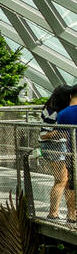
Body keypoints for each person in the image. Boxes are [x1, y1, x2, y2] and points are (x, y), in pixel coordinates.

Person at [39, 85, 73, 221]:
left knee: (65, 180)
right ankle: (53, 213)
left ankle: (63, 212)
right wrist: (61, 131)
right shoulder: (53, 112)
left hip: (55, 147)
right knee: (61, 180)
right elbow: (44, 134)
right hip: (54, 148)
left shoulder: (50, 109)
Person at [55, 86, 77, 222]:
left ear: (70, 96)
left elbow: (62, 135)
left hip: (70, 153)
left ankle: (71, 214)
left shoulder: (62, 113)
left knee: (71, 184)